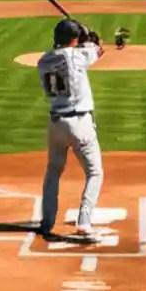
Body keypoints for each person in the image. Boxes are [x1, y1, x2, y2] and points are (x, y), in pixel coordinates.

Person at [36, 19, 105, 242]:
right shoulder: (77, 56)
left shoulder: (43, 61)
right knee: (94, 173)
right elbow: (97, 51)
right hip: (80, 124)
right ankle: (84, 222)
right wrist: (91, 39)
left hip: (56, 123)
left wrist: (83, 40)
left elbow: (78, 52)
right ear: (73, 40)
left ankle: (46, 223)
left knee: (53, 172)